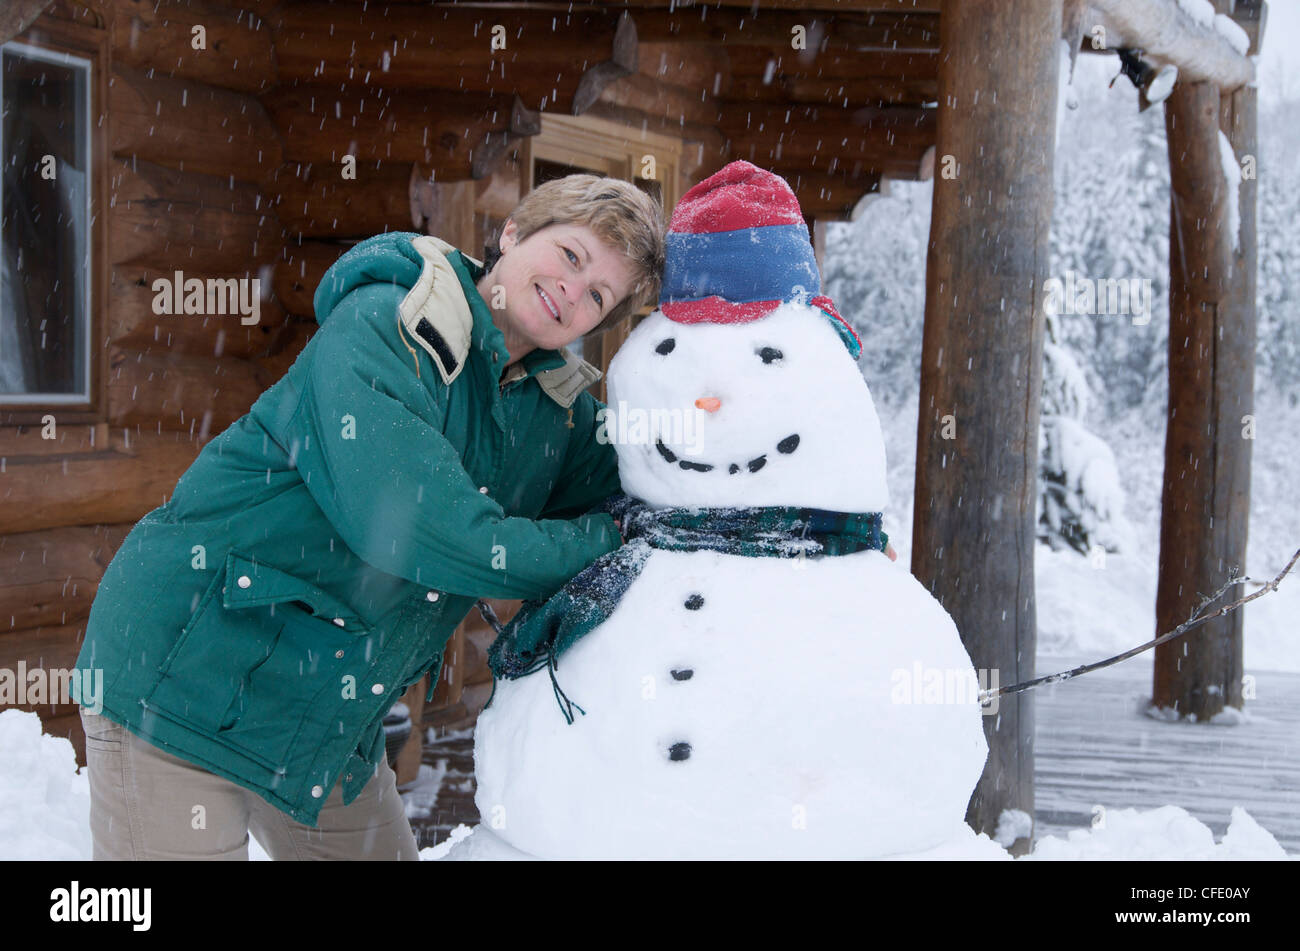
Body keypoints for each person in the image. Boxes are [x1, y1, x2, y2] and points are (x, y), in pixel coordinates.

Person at [73, 174, 665, 860]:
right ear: (512, 233)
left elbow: (658, 475)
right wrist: (603, 541)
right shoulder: (388, 324)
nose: (573, 288)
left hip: (319, 710)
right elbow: (415, 529)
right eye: (570, 255)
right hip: (185, 680)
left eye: (598, 295)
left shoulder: (552, 412)